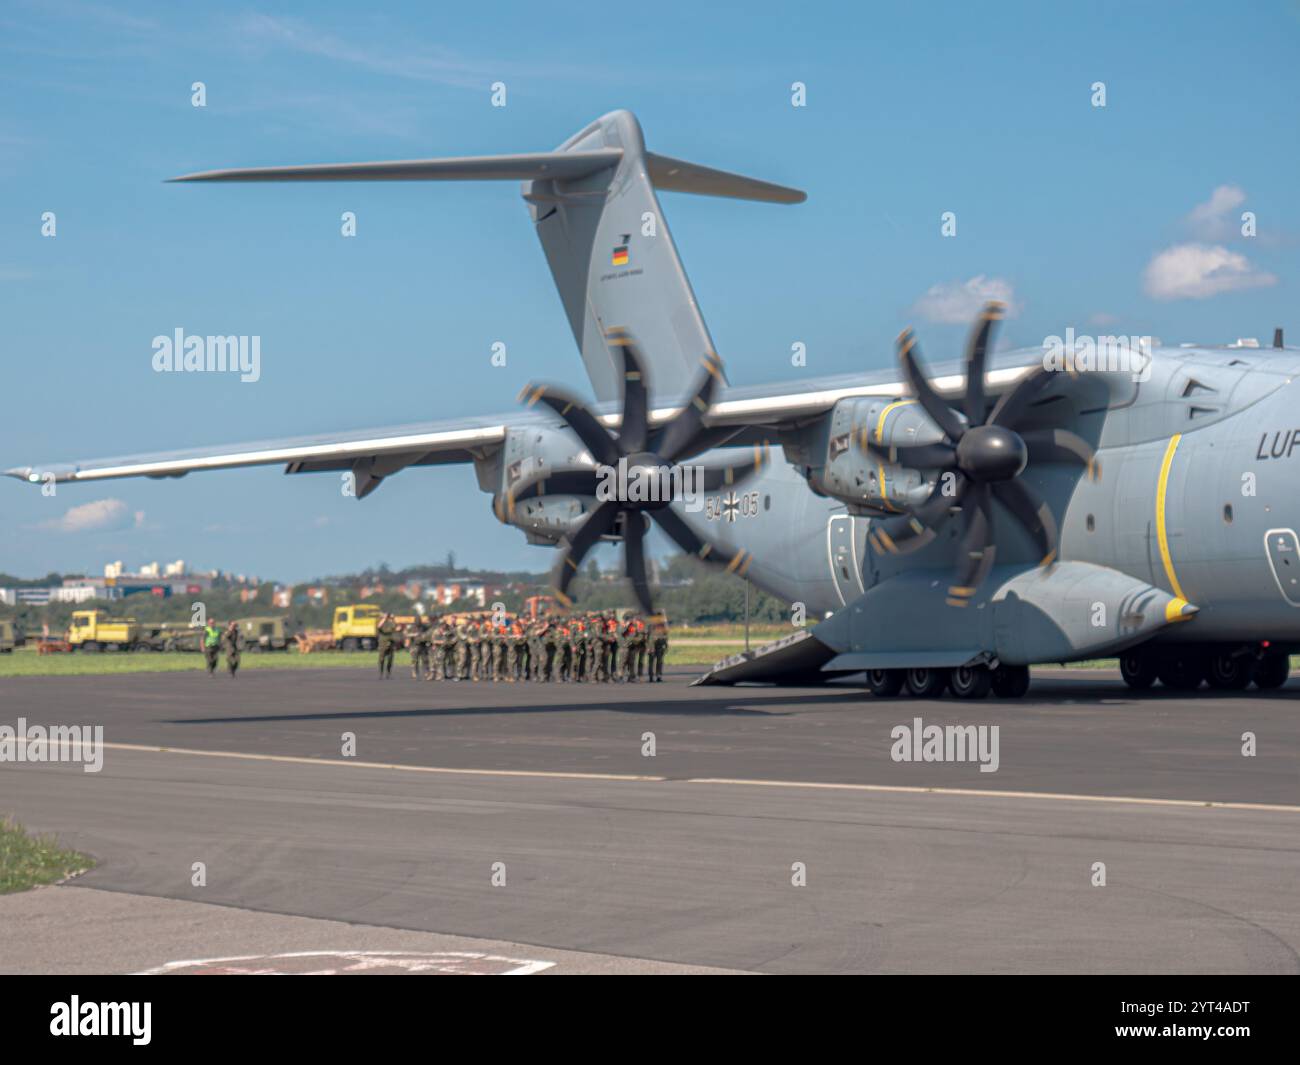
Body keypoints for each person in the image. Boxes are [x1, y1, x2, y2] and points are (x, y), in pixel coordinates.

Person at [376, 611, 399, 679]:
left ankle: (388, 673)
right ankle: (381, 673)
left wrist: (393, 619)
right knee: (381, 659)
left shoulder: (390, 623)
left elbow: (395, 627)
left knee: (390, 659)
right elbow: (379, 627)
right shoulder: (381, 622)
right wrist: (384, 618)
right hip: (383, 643)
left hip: (390, 643)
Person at [408, 614, 431, 679]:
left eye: (419, 620)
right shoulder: (411, 627)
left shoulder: (424, 627)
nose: (418, 621)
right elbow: (407, 634)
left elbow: (428, 631)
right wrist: (413, 635)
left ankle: (426, 672)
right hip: (414, 645)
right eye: (417, 620)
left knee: (425, 659)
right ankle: (414, 672)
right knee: (415, 660)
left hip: (423, 645)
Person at [648, 615, 669, 682]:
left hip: (660, 646)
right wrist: (648, 647)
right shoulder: (651, 625)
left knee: (659, 662)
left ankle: (658, 676)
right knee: (651, 662)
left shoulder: (663, 626)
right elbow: (647, 637)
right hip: (652, 646)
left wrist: (666, 646)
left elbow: (666, 635)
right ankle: (651, 676)